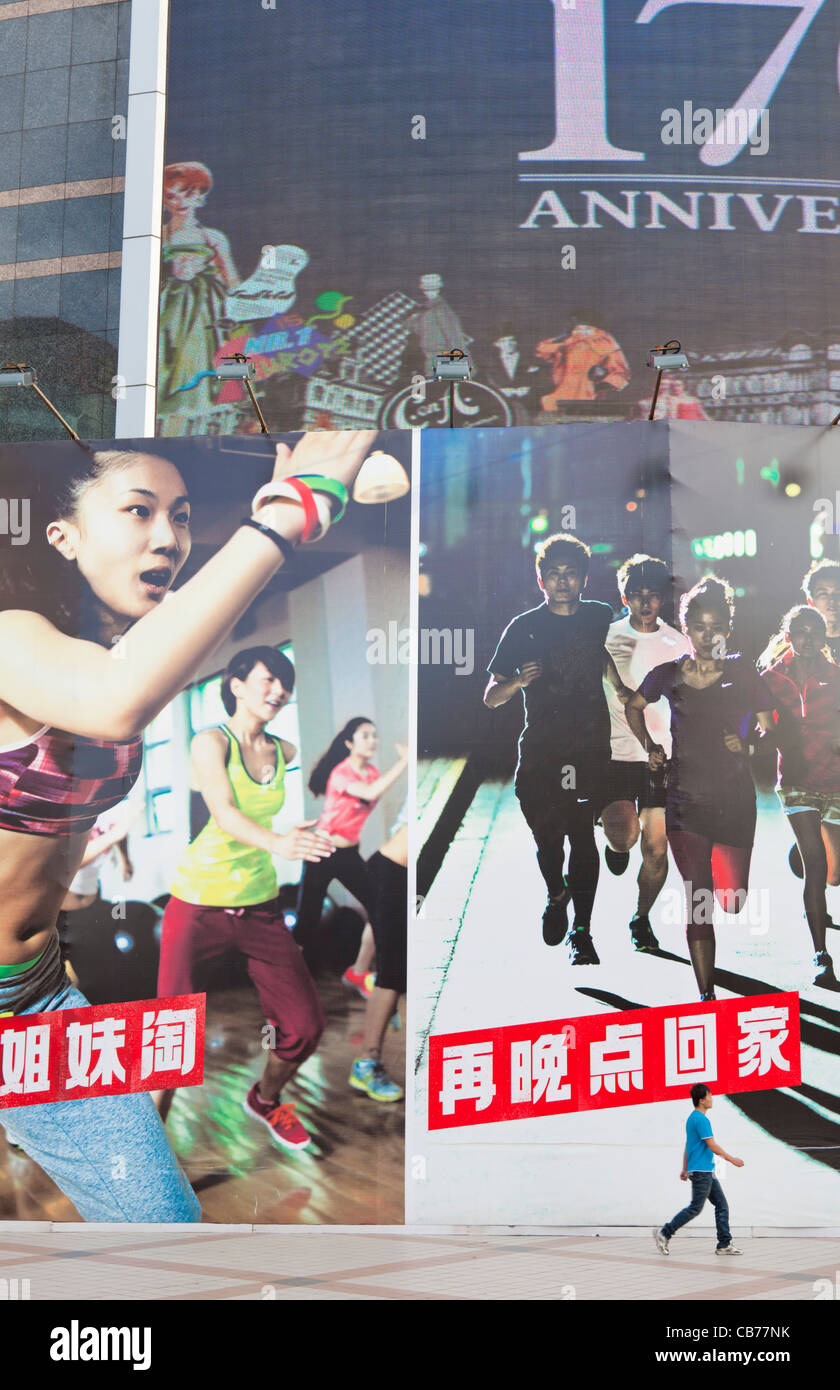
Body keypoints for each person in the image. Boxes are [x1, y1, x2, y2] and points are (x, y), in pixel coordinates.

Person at [0, 427, 377, 1220]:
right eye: (138, 512)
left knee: (163, 1226)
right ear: (63, 536)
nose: (168, 536)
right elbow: (115, 699)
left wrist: (75, 880)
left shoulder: (112, 650)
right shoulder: (10, 635)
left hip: (33, 1001)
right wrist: (290, 510)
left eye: (178, 515)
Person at [155, 647, 335, 1149]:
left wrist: (290, 834)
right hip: (198, 903)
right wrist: (279, 841)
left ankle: (264, 1098)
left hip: (259, 903)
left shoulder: (285, 752)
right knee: (174, 1032)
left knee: (304, 1024)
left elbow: (260, 818)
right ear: (236, 685)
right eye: (268, 679)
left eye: (285, 683)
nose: (279, 690)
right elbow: (226, 811)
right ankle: (149, 1153)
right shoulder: (210, 742)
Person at [625, 576, 774, 1000]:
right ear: (686, 627)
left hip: (734, 803)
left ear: (728, 627)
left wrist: (748, 744)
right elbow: (634, 706)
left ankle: (723, 923)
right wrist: (651, 747)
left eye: (717, 627)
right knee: (698, 895)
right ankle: (706, 995)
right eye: (701, 627)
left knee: (732, 900)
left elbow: (771, 729)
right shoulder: (668, 675)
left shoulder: (743, 674)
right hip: (684, 800)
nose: (709, 636)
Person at [484, 532, 630, 963]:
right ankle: (556, 893)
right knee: (548, 840)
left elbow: (617, 655)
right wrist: (516, 681)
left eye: (571, 574)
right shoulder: (524, 627)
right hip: (540, 752)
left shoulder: (600, 616)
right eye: (554, 574)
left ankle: (581, 934)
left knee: (581, 836)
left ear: (584, 579)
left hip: (588, 748)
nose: (562, 581)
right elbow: (491, 695)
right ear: (541, 579)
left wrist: (623, 688)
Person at [600, 555, 690, 951]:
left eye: (653, 594)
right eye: (637, 595)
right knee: (627, 839)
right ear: (624, 596)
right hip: (615, 754)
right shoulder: (606, 637)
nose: (646, 602)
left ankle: (641, 918)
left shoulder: (678, 643)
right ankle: (613, 843)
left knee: (655, 846)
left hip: (663, 757)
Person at [760, 606, 840, 987]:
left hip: (837, 782)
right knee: (817, 868)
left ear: (824, 637)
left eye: (815, 632)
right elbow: (756, 726)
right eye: (801, 632)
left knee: (835, 874)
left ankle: (817, 846)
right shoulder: (770, 680)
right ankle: (822, 957)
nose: (808, 639)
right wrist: (762, 736)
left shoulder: (836, 677)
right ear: (788, 636)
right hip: (796, 781)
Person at [296, 719, 407, 988]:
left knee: (379, 907)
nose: (372, 741)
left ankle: (372, 975)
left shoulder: (371, 772)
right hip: (322, 851)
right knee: (306, 923)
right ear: (349, 743)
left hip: (348, 854)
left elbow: (371, 789)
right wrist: (405, 762)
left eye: (374, 736)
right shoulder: (341, 773)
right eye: (365, 736)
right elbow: (370, 793)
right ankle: (292, 980)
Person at [158, 161, 239, 430]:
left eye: (188, 194)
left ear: (200, 197)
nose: (180, 201)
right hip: (166, 306)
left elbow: (232, 281)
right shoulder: (157, 236)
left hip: (200, 309)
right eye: (172, 195)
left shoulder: (211, 237)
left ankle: (188, 416)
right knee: (160, 358)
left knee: (192, 360)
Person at [349, 797, 408, 1103]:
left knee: (400, 975)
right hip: (391, 877)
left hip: (397, 877)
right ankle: (367, 1064)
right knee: (394, 975)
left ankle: (361, 973)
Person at [653, 1083, 744, 1256]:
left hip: (703, 1170)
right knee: (695, 1208)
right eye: (709, 1096)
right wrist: (732, 1159)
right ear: (702, 1100)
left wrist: (685, 1168)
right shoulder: (701, 1119)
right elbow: (711, 1145)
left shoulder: (692, 1118)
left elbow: (689, 1145)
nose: (712, 1099)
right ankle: (664, 1233)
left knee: (721, 1205)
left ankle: (724, 1244)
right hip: (702, 1172)